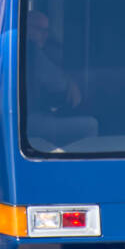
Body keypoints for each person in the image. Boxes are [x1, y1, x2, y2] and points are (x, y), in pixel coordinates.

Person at [25, 9, 97, 151]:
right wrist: (70, 83)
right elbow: (59, 86)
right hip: (29, 121)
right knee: (91, 125)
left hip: (25, 118)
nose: (45, 35)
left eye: (47, 31)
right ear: (26, 28)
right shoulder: (31, 50)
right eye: (40, 29)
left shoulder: (21, 48)